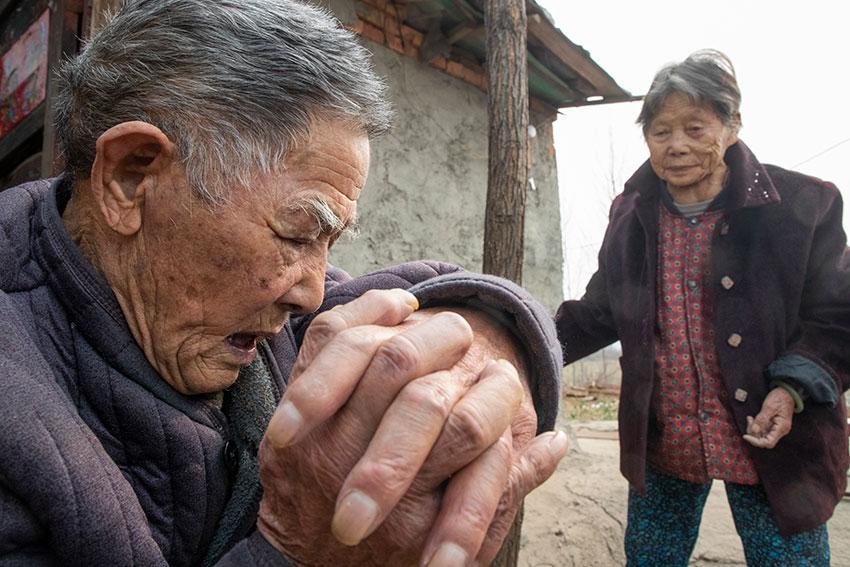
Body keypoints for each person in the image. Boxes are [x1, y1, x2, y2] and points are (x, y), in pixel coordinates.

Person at [0, 1, 569, 565]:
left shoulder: (253, 316)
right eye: (298, 235)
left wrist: (483, 345)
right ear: (131, 176)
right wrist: (298, 550)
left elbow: (459, 291)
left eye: (331, 242)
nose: (313, 293)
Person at [556, 49, 850, 566]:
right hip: (666, 439)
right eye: (661, 131)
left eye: (696, 128)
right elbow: (600, 312)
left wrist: (792, 389)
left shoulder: (803, 206)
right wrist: (516, 340)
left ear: (732, 126)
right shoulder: (632, 213)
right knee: (650, 560)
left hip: (773, 438)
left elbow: (837, 316)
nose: (677, 146)